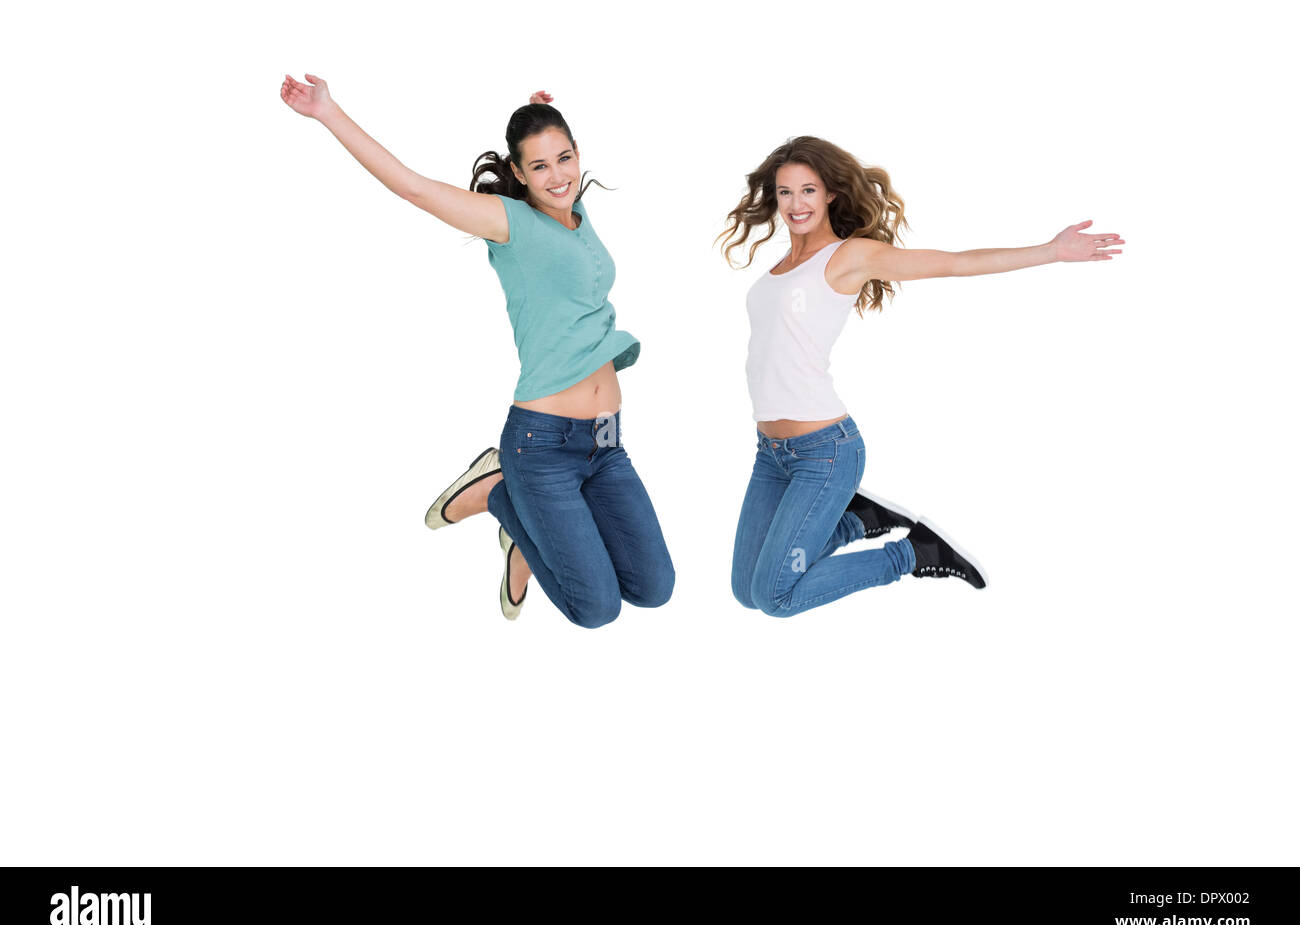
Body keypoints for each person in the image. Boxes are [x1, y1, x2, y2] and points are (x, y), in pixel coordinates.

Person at [280, 77, 674, 626]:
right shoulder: (508, 223)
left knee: (654, 589)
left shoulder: (576, 214)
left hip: (607, 444)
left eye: (564, 158)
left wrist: (535, 114)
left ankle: (525, 533)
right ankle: (497, 493)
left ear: (578, 153)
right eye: (539, 167)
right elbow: (413, 188)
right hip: (543, 446)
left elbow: (557, 178)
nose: (558, 175)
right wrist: (328, 111)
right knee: (596, 609)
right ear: (517, 174)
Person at [718, 135, 1123, 616]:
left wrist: (1050, 251)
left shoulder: (849, 256)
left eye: (808, 190)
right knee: (747, 591)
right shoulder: (780, 268)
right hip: (771, 454)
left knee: (776, 597)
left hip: (823, 452)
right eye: (785, 192)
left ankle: (915, 553)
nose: (796, 203)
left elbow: (952, 264)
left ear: (829, 194)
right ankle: (858, 521)